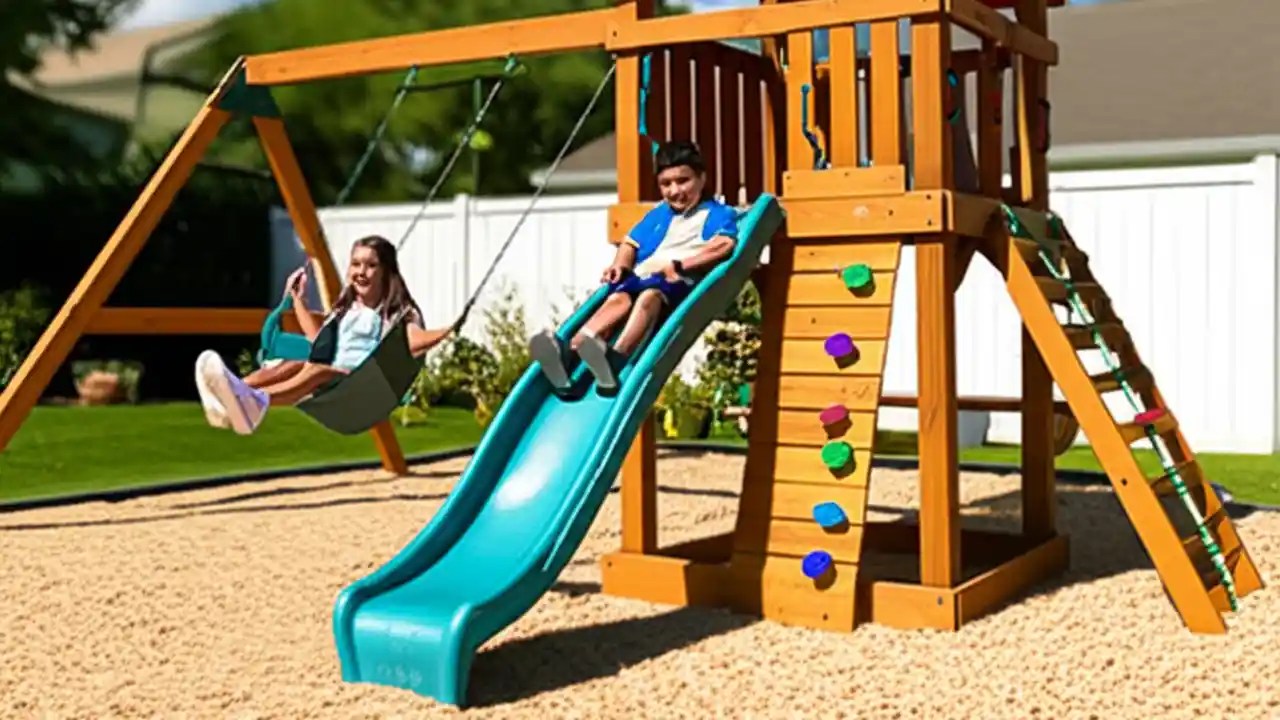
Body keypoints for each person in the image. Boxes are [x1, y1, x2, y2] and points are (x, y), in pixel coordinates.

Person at [529, 140, 738, 393]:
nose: (674, 191)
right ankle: (572, 351)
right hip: (642, 276)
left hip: (674, 281)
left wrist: (682, 265)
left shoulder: (717, 213)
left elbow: (723, 245)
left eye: (683, 181)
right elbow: (630, 243)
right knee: (618, 298)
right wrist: (620, 265)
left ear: (702, 179)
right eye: (666, 184)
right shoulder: (660, 214)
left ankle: (615, 358)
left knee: (649, 297)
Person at [195, 235, 458, 435]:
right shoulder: (346, 308)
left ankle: (254, 403)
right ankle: (232, 394)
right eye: (355, 264)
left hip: (361, 386)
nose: (361, 272)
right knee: (293, 364)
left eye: (370, 265)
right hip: (331, 380)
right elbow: (317, 339)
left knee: (317, 370)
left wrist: (449, 329)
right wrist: (296, 298)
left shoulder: (398, 313)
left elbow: (411, 341)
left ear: (386, 271)